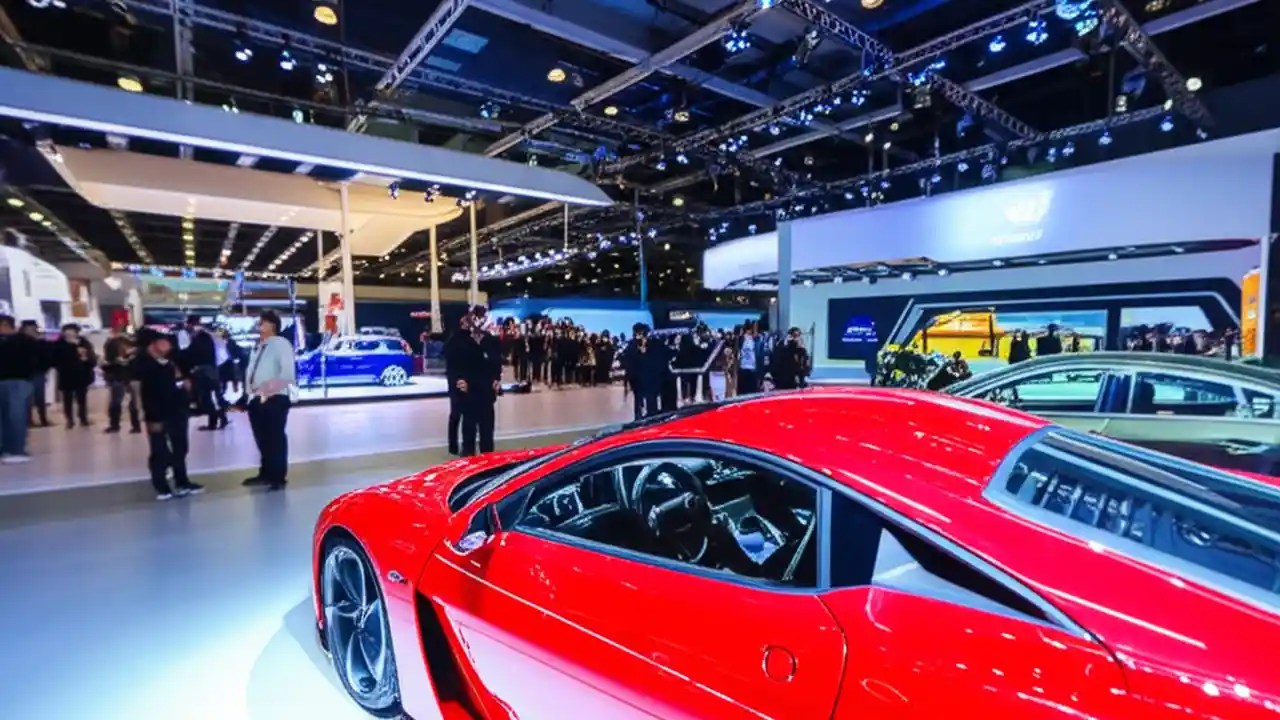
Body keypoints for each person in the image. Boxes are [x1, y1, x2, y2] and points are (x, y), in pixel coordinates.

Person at [135, 329, 202, 500]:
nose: (169, 346)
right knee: (159, 449)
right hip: (155, 410)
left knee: (180, 447)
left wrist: (184, 386)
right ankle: (161, 485)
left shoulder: (173, 360)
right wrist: (140, 411)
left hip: (177, 408)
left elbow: (182, 380)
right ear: (154, 344)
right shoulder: (141, 362)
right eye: (165, 342)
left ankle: (182, 481)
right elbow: (136, 387)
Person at [239, 311, 295, 491]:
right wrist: (249, 395)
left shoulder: (281, 344)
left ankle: (278, 476)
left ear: (273, 325)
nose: (259, 326)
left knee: (275, 438)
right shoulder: (259, 346)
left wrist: (267, 391)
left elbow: (287, 373)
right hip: (256, 399)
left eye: (263, 322)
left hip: (275, 398)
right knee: (262, 438)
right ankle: (265, 473)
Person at [454, 306, 503, 456]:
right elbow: (455, 364)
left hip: (486, 392)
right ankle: (468, 462)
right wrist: (459, 379)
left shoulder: (492, 341)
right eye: (475, 317)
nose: (478, 322)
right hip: (468, 392)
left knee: (487, 433)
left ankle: (487, 464)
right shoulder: (462, 342)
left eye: (481, 317)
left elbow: (496, 364)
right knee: (468, 432)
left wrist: (497, 380)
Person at [0, 315, 38, 463]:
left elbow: (34, 360)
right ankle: (6, 448)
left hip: (18, 381)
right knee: (5, 416)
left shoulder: (24, 341)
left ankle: (16, 448)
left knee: (16, 414)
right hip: (12, 380)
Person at [184, 316, 227, 431]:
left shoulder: (200, 338)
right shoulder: (208, 336)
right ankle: (221, 418)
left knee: (205, 398)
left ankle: (215, 419)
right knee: (215, 396)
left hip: (203, 371)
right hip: (212, 370)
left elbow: (193, 354)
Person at [53, 323, 95, 428]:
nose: (69, 333)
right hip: (66, 375)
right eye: (66, 331)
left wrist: (87, 359)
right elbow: (56, 359)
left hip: (82, 374)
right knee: (67, 399)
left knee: (81, 398)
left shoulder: (84, 343)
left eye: (72, 331)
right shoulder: (59, 344)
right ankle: (69, 419)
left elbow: (91, 357)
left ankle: (83, 417)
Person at [620, 323, 665, 419]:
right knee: (639, 401)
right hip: (637, 380)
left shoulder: (655, 344)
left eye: (642, 333)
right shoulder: (631, 346)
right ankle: (639, 419)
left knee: (651, 401)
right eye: (637, 333)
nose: (639, 336)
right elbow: (628, 362)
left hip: (651, 379)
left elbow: (659, 360)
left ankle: (652, 418)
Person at [102, 324, 141, 434]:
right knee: (120, 402)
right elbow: (109, 360)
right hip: (121, 375)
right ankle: (125, 425)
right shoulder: (114, 343)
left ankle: (118, 425)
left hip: (124, 375)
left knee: (123, 402)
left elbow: (108, 361)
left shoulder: (130, 344)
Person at [442, 315, 470, 456]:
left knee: (458, 414)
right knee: (458, 414)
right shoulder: (458, 340)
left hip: (457, 379)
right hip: (457, 380)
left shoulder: (454, 339)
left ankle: (457, 446)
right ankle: (458, 446)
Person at [20, 321, 50, 427]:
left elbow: (47, 356)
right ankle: (28, 421)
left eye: (33, 329)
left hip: (39, 372)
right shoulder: (19, 342)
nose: (31, 331)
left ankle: (43, 419)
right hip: (25, 374)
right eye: (28, 329)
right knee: (27, 399)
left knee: (40, 398)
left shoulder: (41, 342)